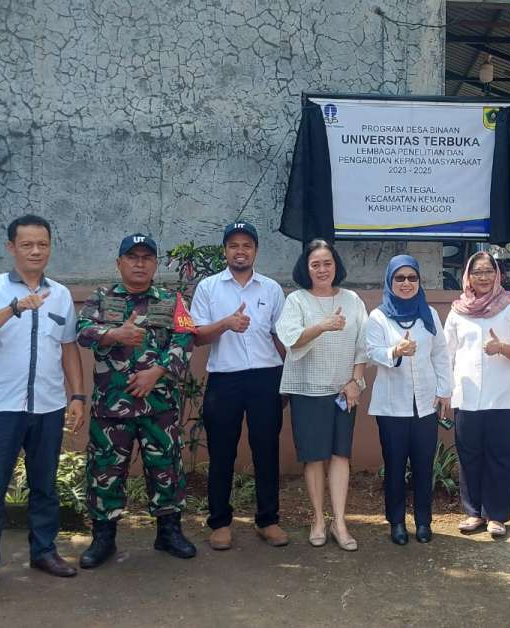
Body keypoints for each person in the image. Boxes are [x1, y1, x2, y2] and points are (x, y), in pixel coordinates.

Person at [0, 215, 87, 597]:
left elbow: (68, 347)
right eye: (27, 244)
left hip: (48, 406)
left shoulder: (62, 294)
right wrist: (15, 307)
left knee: (45, 485)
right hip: (2, 407)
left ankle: (44, 552)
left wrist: (78, 396)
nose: (35, 251)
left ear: (50, 246)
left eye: (42, 244)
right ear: (11, 248)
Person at [75, 234, 196, 568]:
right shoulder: (102, 297)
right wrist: (112, 334)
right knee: (106, 471)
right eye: (132, 257)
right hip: (111, 407)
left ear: (155, 264)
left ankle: (168, 532)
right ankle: (103, 538)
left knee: (165, 468)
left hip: (159, 407)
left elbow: (185, 339)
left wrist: (155, 373)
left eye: (146, 257)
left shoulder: (172, 300)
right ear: (119, 263)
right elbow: (82, 330)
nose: (139, 263)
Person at [189, 222, 289, 550]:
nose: (240, 250)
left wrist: (289, 378)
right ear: (225, 251)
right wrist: (226, 324)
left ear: (255, 251)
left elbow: (282, 337)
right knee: (221, 452)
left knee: (266, 450)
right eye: (234, 245)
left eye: (247, 245)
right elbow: (197, 336)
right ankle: (219, 523)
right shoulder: (208, 288)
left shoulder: (271, 289)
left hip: (266, 378)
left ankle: (268, 520)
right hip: (225, 379)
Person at [275, 240, 368, 551]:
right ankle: (317, 518)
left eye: (327, 263)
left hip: (344, 391)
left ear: (336, 265)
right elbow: (290, 339)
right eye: (316, 264)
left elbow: (362, 345)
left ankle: (339, 521)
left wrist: (357, 381)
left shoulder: (353, 300)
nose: (322, 269)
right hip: (308, 390)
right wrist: (323, 326)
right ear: (307, 268)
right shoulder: (297, 301)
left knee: (341, 454)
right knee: (314, 457)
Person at [445, 252, 510, 538]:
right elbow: (446, 354)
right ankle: (474, 513)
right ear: (468, 276)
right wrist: (445, 392)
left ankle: (497, 515)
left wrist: (503, 349)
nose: (483, 277)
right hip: (468, 396)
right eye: (477, 272)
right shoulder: (458, 310)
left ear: (498, 275)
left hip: (506, 398)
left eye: (488, 271)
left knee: (501, 456)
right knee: (469, 455)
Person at [364, 255, 452, 546]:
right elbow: (371, 352)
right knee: (395, 466)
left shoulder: (428, 314)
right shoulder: (379, 317)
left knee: (424, 465)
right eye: (399, 278)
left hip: (426, 404)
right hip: (392, 407)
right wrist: (395, 352)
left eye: (411, 278)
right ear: (390, 281)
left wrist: (444, 391)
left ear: (419, 282)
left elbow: (441, 353)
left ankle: (424, 522)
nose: (406, 283)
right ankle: (397, 522)